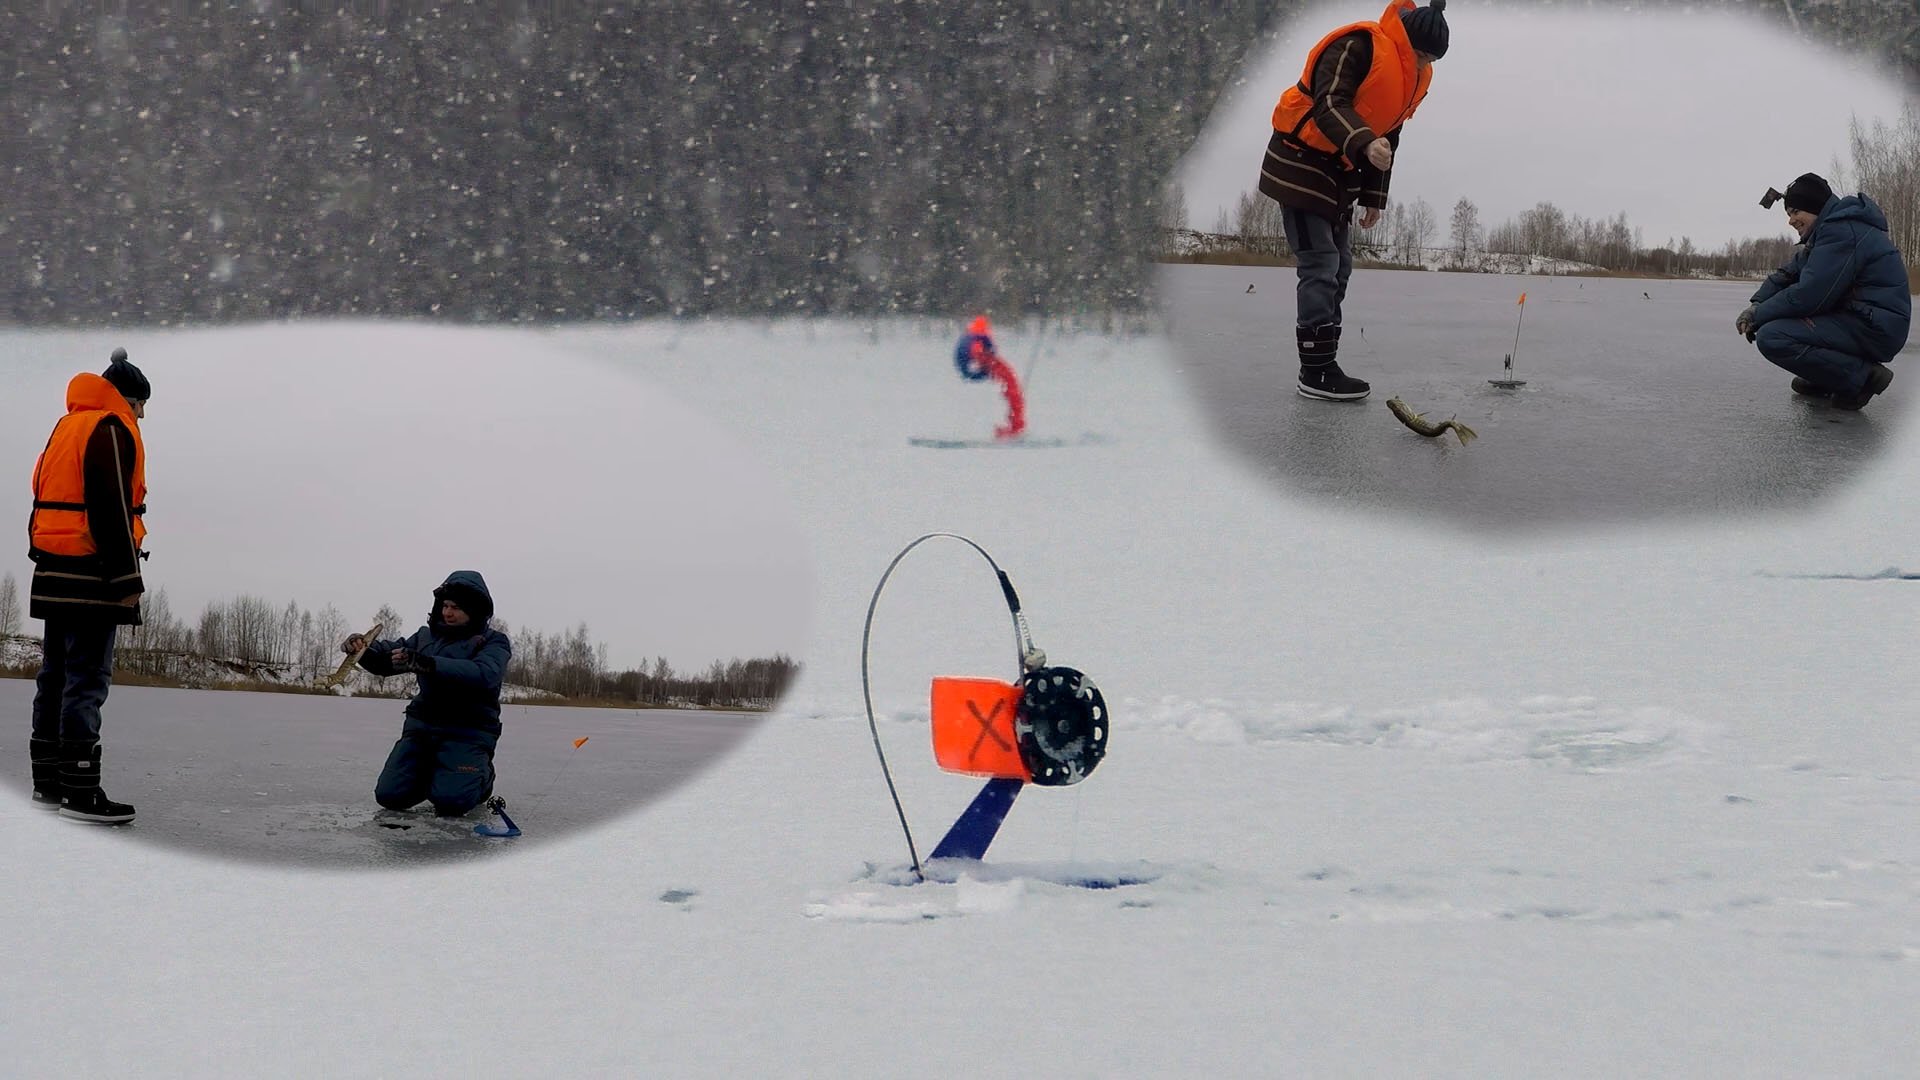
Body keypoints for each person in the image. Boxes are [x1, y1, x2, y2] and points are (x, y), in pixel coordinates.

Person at [1258, 0, 1449, 401]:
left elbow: (1389, 136)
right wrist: (1363, 143)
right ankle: (1314, 370)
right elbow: (1329, 102)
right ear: (1407, 38)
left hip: (1340, 172)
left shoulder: (1416, 77)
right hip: (1299, 159)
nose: (1422, 63)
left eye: (1430, 59)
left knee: (1341, 265)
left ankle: (1326, 362)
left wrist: (1374, 196)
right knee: (1321, 262)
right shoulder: (1359, 44)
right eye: (1419, 54)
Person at [26, 348, 149, 824]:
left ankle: (49, 785)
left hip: (54, 572)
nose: (143, 414)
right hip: (92, 576)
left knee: (54, 676)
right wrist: (126, 579)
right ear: (126, 398)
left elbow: (41, 494)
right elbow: (109, 506)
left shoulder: (65, 427)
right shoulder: (111, 428)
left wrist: (41, 557)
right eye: (140, 403)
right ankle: (80, 792)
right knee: (87, 679)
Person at [343, 571, 512, 816]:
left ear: (474, 610)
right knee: (390, 796)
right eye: (445, 605)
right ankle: (437, 775)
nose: (448, 612)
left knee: (452, 803)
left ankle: (482, 777)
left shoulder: (493, 642)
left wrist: (429, 664)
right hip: (422, 730)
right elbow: (384, 659)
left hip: (468, 732)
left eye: (456, 607)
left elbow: (485, 673)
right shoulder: (425, 637)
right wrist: (361, 648)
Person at [1737, 172, 1911, 410]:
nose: (1790, 221)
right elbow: (1788, 274)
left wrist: (1759, 316)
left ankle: (1862, 378)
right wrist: (1756, 304)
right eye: (1789, 214)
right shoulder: (1827, 233)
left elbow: (1808, 296)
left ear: (1815, 208)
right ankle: (1826, 378)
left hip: (1874, 326)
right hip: (1862, 319)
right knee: (1780, 325)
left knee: (1774, 336)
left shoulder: (1842, 232)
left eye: (1795, 212)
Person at [953, 314, 1027, 439]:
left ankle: (1015, 425)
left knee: (1011, 386)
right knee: (1012, 386)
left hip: (979, 363)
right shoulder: (977, 343)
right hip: (983, 362)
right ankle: (1015, 426)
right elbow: (978, 353)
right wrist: (984, 365)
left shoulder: (969, 339)